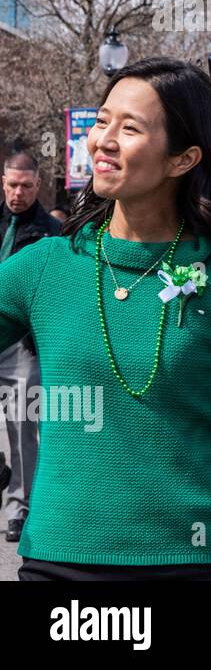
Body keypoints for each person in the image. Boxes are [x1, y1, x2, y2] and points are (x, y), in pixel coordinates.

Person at [0, 58, 211, 580]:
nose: (103, 140)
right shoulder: (44, 267)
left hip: (194, 563)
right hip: (60, 565)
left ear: (183, 159)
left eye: (130, 128)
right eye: (103, 121)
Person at [0, 152, 61, 544]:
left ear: (37, 185)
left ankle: (18, 508)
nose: (17, 193)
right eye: (11, 185)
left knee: (22, 426)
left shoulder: (50, 232)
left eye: (25, 185)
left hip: (22, 345)